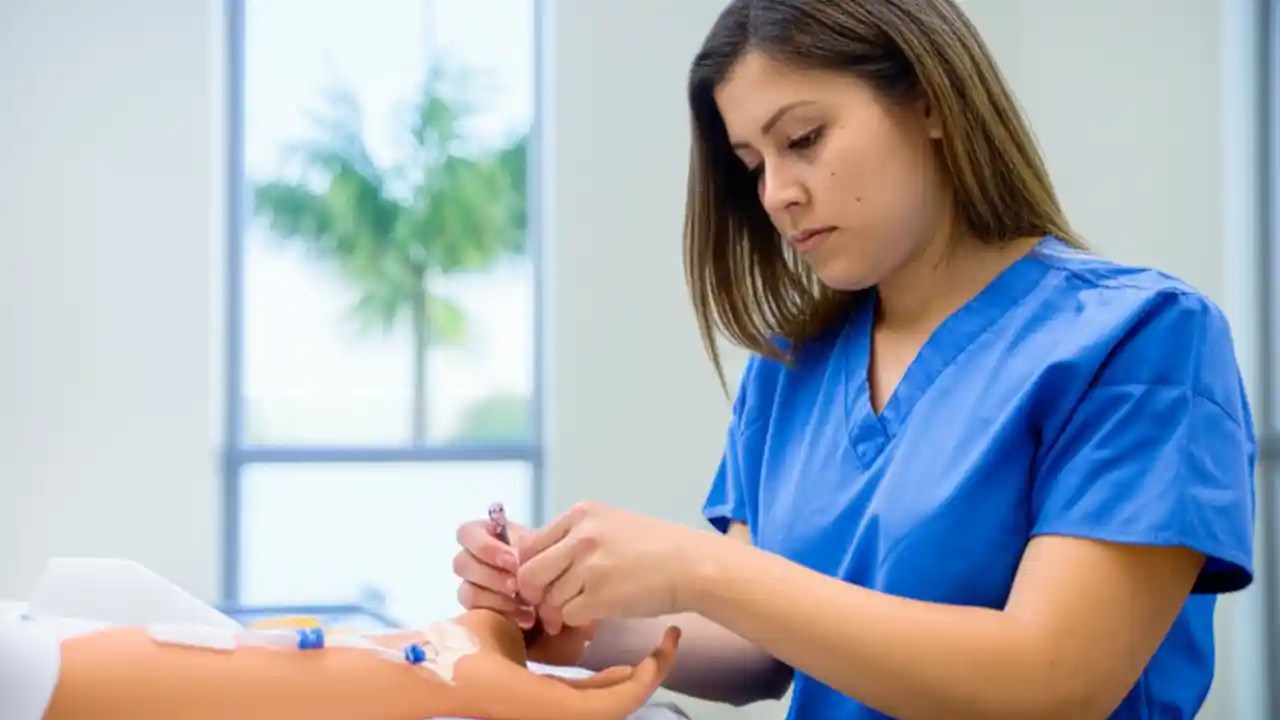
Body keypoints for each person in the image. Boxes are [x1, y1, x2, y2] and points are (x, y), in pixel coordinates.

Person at [452, 1, 1257, 718]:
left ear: (931, 101)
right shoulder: (789, 373)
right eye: (753, 165)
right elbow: (757, 650)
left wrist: (693, 567)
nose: (776, 195)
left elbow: (1053, 679)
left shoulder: (1141, 338)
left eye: (803, 139)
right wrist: (577, 620)